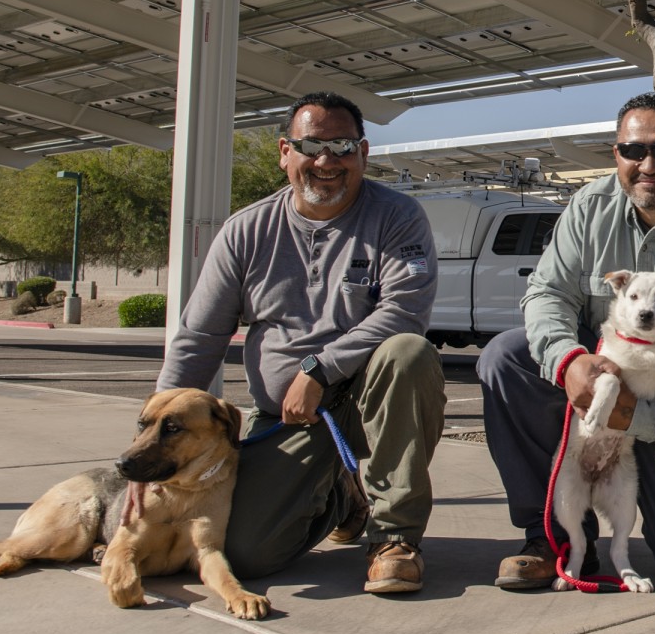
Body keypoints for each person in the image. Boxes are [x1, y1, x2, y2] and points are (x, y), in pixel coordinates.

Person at [156, 92, 446, 595]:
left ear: (363, 152)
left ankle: (394, 537)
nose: (326, 161)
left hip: (370, 406)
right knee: (246, 554)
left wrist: (318, 369)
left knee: (409, 353)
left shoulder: (398, 217)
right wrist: (159, 433)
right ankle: (340, 496)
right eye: (311, 145)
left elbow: (404, 311)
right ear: (284, 152)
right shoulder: (245, 230)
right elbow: (200, 336)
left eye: (341, 146)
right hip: (287, 417)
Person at [479, 92, 655, 589]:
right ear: (617, 154)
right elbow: (547, 293)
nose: (648, 164)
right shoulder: (588, 208)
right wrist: (569, 360)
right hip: (603, 381)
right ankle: (553, 538)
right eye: (633, 151)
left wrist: (637, 419)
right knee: (505, 357)